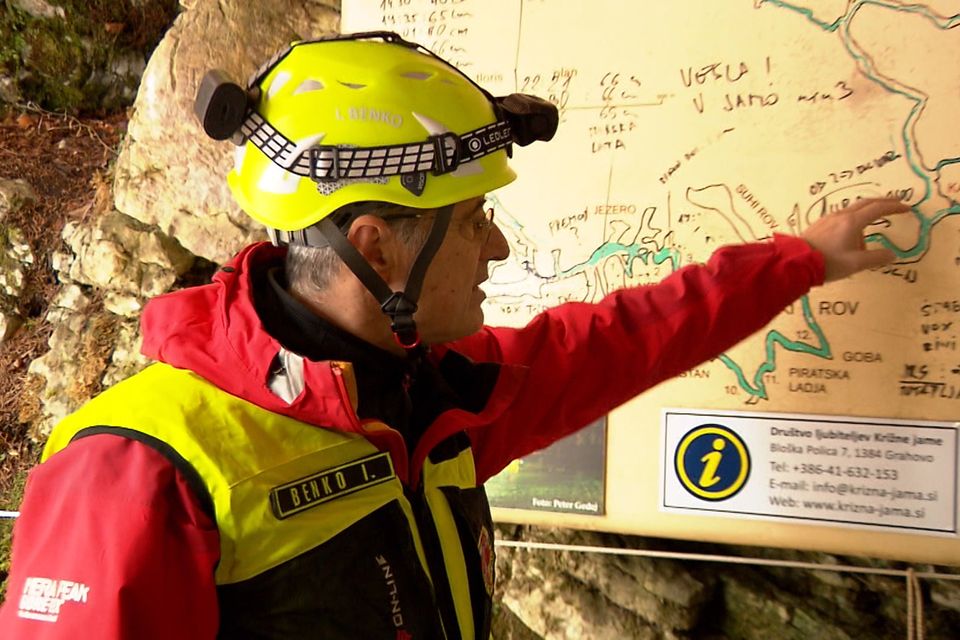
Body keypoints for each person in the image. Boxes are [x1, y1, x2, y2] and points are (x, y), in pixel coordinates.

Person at [0, 32, 909, 639]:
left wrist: (798, 262)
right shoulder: (138, 471)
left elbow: (628, 338)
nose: (498, 247)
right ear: (376, 249)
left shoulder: (432, 394)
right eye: (474, 221)